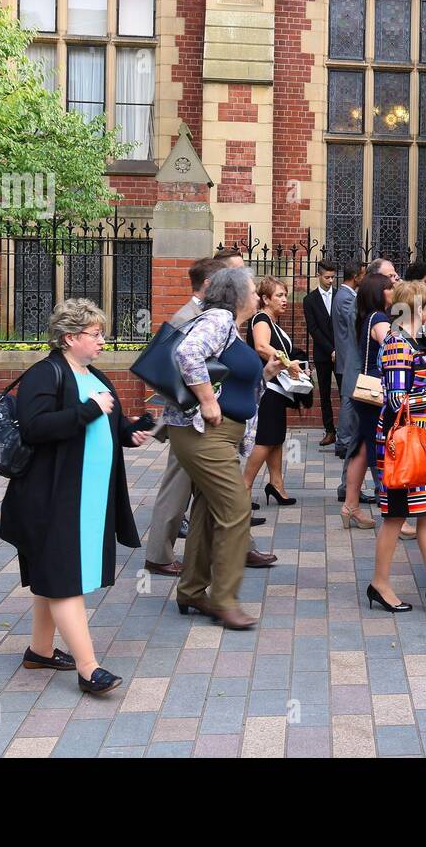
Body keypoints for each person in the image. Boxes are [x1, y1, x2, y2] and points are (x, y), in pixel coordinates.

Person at [0, 298, 152, 695]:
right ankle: (89, 668)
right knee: (64, 578)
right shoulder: (45, 374)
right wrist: (88, 411)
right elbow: (35, 428)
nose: (103, 340)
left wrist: (131, 432)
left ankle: (40, 650)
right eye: (96, 334)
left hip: (89, 496)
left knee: (56, 574)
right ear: (70, 338)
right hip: (50, 496)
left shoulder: (96, 376)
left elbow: (111, 425)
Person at [166, 266, 283, 630]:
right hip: (205, 435)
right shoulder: (218, 318)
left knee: (208, 510)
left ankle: (191, 591)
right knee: (235, 511)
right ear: (236, 294)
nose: (257, 294)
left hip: (221, 435)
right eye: (252, 288)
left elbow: (232, 380)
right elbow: (188, 354)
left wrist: (264, 375)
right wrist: (206, 399)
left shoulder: (230, 327)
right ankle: (224, 600)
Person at [366, 280, 426, 612]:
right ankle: (380, 584)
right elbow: (396, 402)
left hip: (416, 442)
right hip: (403, 445)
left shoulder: (405, 342)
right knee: (396, 516)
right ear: (420, 309)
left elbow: (406, 392)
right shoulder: (398, 344)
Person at [144, 256, 226, 577]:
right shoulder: (187, 316)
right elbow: (174, 367)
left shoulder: (202, 314)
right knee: (176, 486)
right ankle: (159, 554)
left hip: (197, 416)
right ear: (207, 285)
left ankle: (226, 546)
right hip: (186, 414)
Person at [342, 267, 396, 530]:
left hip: (367, 394)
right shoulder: (380, 321)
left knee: (362, 451)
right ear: (379, 293)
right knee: (382, 455)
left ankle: (351, 506)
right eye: (389, 286)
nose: (393, 290)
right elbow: (395, 353)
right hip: (378, 394)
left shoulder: (369, 317)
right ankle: (394, 515)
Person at [244, 276, 303, 506]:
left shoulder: (272, 321)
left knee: (276, 437)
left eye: (285, 295)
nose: (285, 300)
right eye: (279, 295)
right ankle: (244, 488)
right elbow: (260, 347)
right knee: (265, 439)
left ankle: (276, 483)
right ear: (265, 299)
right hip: (267, 388)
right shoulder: (261, 319)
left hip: (277, 390)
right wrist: (289, 363)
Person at [333, 257, 373, 513]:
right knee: (355, 435)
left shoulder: (348, 297)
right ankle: (348, 490)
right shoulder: (348, 300)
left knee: (359, 437)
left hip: (352, 370)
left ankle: (350, 492)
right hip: (355, 373)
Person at [303, 260, 339, 446]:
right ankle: (330, 430)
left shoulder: (341, 296)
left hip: (341, 353)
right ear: (319, 275)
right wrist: (330, 350)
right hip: (322, 353)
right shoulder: (309, 300)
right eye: (327, 277)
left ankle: (346, 431)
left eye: (333, 277)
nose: (330, 280)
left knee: (345, 392)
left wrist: (338, 350)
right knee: (324, 394)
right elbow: (313, 329)